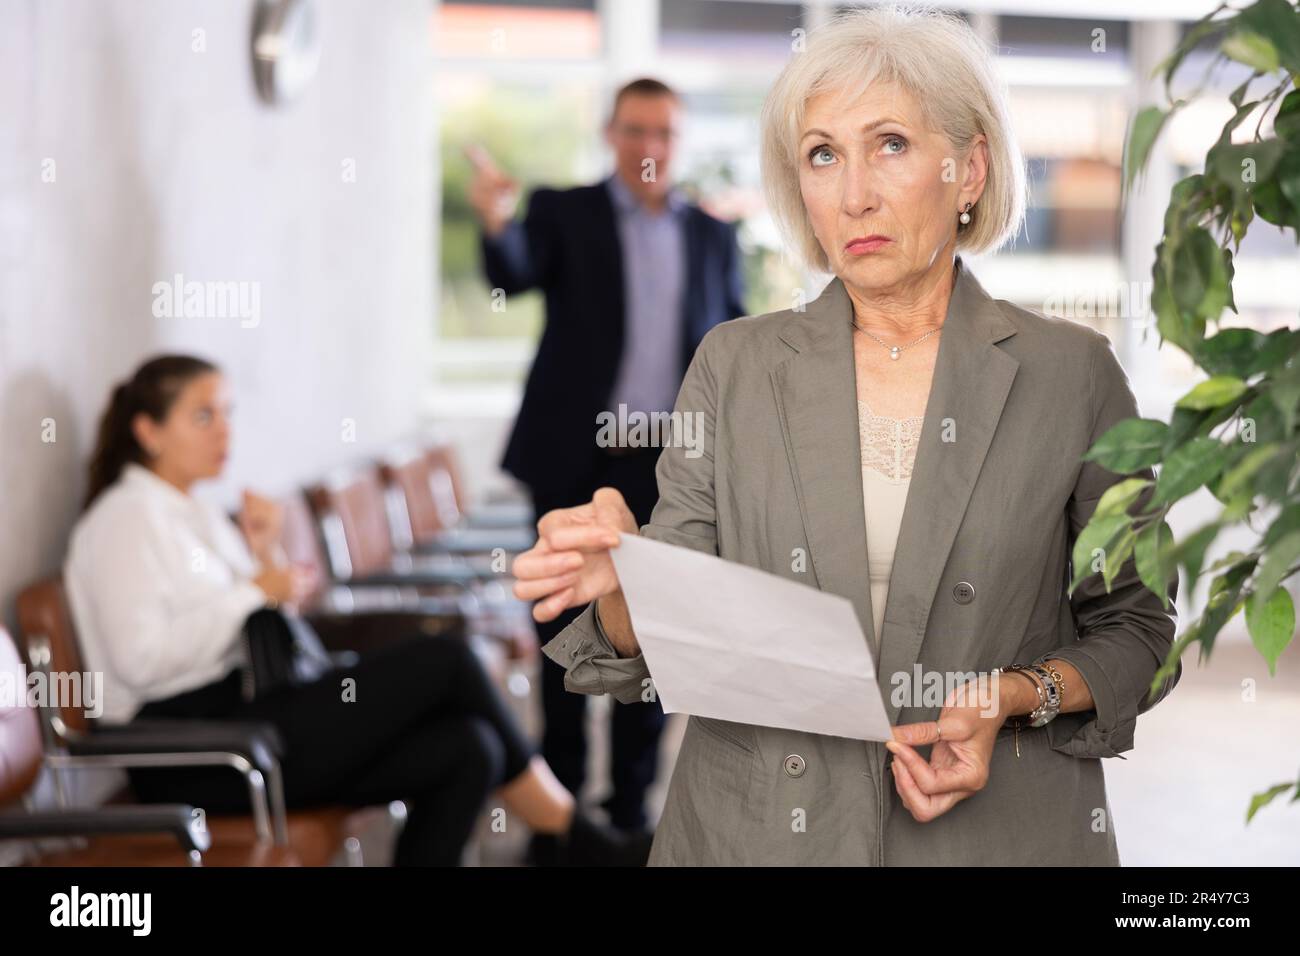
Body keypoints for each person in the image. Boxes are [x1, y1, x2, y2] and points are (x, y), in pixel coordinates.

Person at [511, 5, 1183, 865]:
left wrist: (1015, 695)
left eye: (891, 144)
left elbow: (1137, 629)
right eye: (823, 154)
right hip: (755, 833)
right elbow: (664, 635)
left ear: (969, 167)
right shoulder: (734, 365)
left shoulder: (1074, 375)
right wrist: (629, 582)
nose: (853, 192)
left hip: (994, 834)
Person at [64, 355, 651, 866]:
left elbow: (243, 620)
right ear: (147, 431)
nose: (224, 431)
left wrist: (263, 557)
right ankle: (577, 837)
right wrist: (254, 590)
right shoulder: (124, 521)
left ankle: (574, 837)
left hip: (251, 714)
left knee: (469, 748)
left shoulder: (191, 511)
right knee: (448, 661)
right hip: (201, 748)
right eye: (203, 416)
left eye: (228, 412)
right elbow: (140, 660)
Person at [468, 76, 746, 844]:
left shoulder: (710, 236)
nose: (649, 147)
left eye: (663, 133)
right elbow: (512, 270)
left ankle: (628, 819)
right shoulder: (565, 212)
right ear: (610, 134)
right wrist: (496, 219)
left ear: (677, 142)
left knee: (653, 636)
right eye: (635, 131)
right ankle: (557, 824)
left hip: (664, 467)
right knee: (561, 628)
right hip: (570, 456)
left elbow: (735, 346)